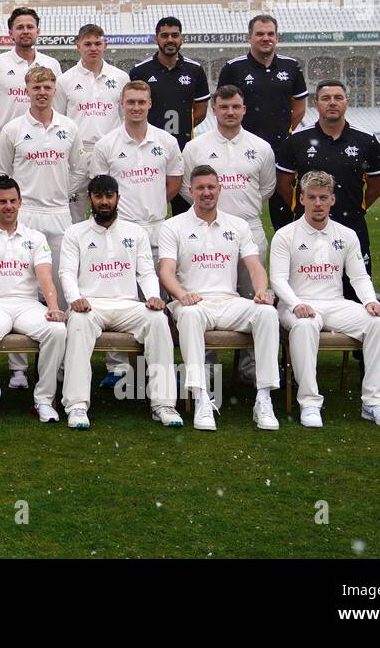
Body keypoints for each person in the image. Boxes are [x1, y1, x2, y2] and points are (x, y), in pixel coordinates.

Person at [268, 171, 380, 428]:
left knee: (378, 324)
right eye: (312, 197)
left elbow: (359, 277)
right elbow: (278, 280)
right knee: (305, 325)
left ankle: (374, 403)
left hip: (336, 303)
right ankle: (309, 403)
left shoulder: (347, 235)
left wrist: (370, 301)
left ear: (333, 200)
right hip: (297, 304)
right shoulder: (285, 235)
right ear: (302, 199)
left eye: (323, 197)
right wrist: (296, 304)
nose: (318, 203)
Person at [157, 164, 280, 432]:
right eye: (200, 188)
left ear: (220, 189)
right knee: (188, 315)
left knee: (268, 313)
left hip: (229, 301)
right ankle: (202, 398)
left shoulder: (237, 225)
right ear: (190, 191)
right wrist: (181, 295)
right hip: (192, 302)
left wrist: (261, 290)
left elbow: (255, 266)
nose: (206, 193)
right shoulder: (172, 226)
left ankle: (264, 398)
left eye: (211, 187)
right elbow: (165, 271)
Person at [59, 175, 183, 429]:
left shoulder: (135, 232)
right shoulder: (75, 232)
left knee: (158, 320)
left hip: (128, 305)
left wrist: (152, 297)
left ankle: (164, 404)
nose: (104, 202)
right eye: (98, 196)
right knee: (79, 323)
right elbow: (67, 273)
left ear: (117, 198)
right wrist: (75, 299)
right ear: (90, 198)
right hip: (91, 305)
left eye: (109, 196)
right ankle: (77, 405)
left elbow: (146, 272)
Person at [0, 65, 85, 389]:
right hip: (25, 214)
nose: (42, 92)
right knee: (21, 289)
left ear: (54, 89)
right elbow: (0, 172)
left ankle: (57, 364)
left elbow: (78, 170)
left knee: (58, 287)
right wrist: (18, 203)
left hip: (59, 214)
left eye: (47, 87)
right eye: (36, 87)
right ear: (26, 90)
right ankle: (18, 369)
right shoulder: (14, 130)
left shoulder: (69, 128)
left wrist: (60, 194)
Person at [90, 79, 182, 387]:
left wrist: (151, 206)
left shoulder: (166, 142)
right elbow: (101, 189)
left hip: (157, 229)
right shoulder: (107, 144)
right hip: (118, 232)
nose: (136, 107)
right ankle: (118, 368)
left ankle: (157, 368)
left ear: (150, 104)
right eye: (131, 102)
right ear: (122, 104)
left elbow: (173, 184)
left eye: (142, 102)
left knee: (156, 299)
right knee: (120, 297)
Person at [0, 175, 68, 424]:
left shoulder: (36, 238)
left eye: (12, 200)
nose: (8, 206)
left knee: (57, 330)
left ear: (20, 202)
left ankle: (44, 400)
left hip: (27, 304)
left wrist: (52, 307)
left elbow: (45, 279)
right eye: (2, 202)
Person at [274, 80, 380, 301]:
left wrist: (352, 208)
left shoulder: (366, 142)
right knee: (305, 294)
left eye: (338, 98)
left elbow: (376, 188)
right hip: (307, 229)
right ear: (317, 103)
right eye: (326, 98)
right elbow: (283, 185)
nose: (332, 103)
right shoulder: (296, 141)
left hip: (352, 226)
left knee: (356, 293)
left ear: (347, 102)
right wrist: (307, 209)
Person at [181, 85, 276, 297]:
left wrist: (243, 207)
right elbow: (187, 188)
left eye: (235, 106)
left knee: (253, 295)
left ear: (244, 109)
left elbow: (267, 187)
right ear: (214, 110)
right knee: (210, 294)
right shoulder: (195, 147)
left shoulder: (261, 147)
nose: (230, 112)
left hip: (250, 227)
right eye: (224, 107)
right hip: (208, 228)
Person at [217, 14, 307, 229]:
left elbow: (300, 107)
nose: (265, 38)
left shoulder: (291, 66)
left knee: (287, 218)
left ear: (277, 37)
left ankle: (288, 260)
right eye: (260, 34)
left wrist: (282, 132)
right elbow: (224, 106)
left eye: (270, 34)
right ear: (249, 37)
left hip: (281, 150)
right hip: (243, 151)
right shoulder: (233, 68)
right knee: (238, 212)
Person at [128, 16, 210, 215]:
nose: (170, 39)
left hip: (183, 148)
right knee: (148, 205)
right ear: (156, 39)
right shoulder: (140, 71)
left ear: (182, 38)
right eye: (164, 35)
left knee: (184, 211)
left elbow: (200, 110)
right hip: (149, 150)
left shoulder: (195, 70)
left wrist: (181, 129)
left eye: (175, 35)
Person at [56, 23, 128, 223]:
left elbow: (125, 118)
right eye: (87, 43)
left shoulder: (121, 78)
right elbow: (59, 120)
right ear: (77, 45)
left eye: (98, 43)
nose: (93, 48)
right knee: (72, 211)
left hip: (110, 152)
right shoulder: (65, 80)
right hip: (77, 153)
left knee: (110, 210)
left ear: (105, 45)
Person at [0, 7, 62, 133]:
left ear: (37, 31)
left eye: (30, 27)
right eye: (20, 27)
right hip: (6, 139)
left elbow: (57, 103)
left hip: (42, 138)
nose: (25, 31)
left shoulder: (52, 64)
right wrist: (0, 131)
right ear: (10, 33)